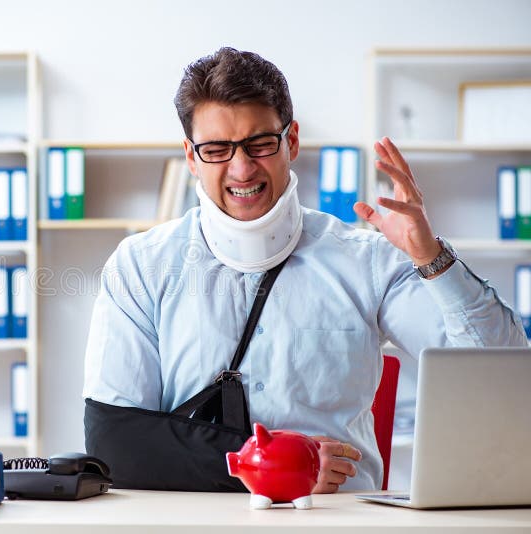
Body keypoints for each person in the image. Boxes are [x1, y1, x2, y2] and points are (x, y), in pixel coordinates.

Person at [82, 47, 527, 492]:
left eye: (259, 143)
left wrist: (431, 257)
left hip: (338, 520)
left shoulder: (365, 259)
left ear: (291, 141)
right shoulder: (141, 265)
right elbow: (114, 440)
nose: (241, 168)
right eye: (217, 149)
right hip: (196, 518)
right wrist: (280, 465)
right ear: (191, 156)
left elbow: (500, 373)